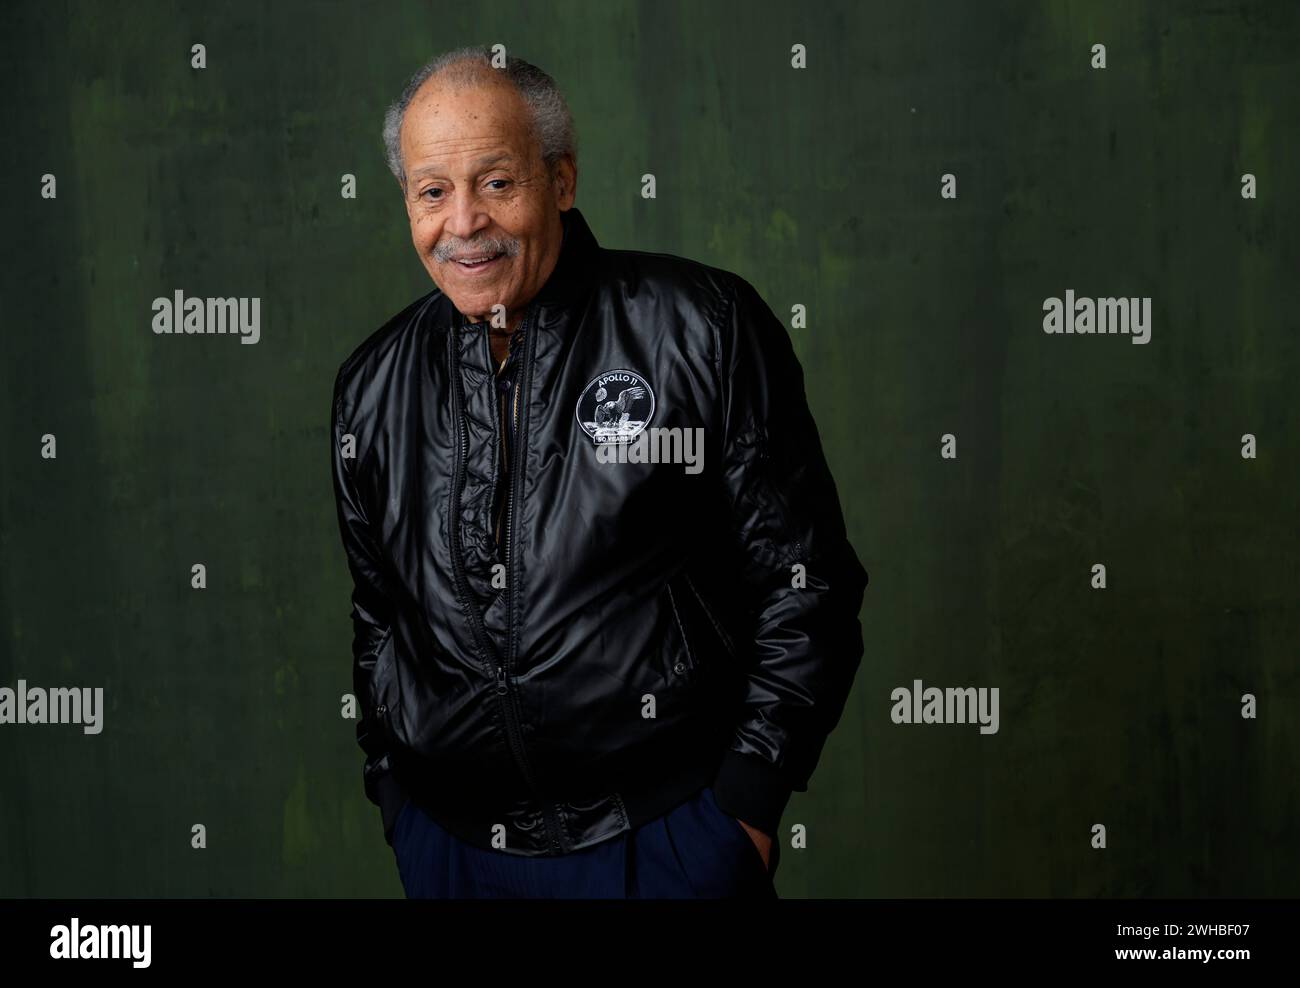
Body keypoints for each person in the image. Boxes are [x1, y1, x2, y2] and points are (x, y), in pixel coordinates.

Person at [329, 45, 868, 898]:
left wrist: (746, 809)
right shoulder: (371, 386)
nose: (464, 222)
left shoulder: (701, 329)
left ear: (562, 181)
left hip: (662, 842)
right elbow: (378, 617)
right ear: (408, 202)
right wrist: (397, 796)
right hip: (453, 851)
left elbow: (806, 582)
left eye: (498, 182)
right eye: (433, 191)